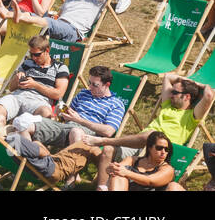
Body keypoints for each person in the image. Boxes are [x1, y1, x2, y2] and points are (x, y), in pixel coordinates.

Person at [78, 73, 211, 190]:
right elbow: (168, 77)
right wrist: (189, 83)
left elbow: (210, 95)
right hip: (139, 143)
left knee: (150, 135)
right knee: (107, 150)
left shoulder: (192, 116)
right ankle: (102, 187)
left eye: (175, 92)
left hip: (158, 149)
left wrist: (199, 86)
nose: (170, 94)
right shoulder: (168, 105)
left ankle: (104, 140)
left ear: (187, 97)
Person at [28, 65, 127, 151]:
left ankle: (71, 171)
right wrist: (61, 111)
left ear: (107, 85)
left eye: (95, 85)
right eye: (89, 83)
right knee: (27, 124)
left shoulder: (116, 104)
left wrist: (80, 120)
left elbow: (108, 131)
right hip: (65, 127)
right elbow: (65, 118)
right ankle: (30, 162)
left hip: (88, 134)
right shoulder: (84, 93)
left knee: (75, 132)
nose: (90, 87)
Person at [0, 34, 70, 137]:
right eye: (31, 54)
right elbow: (11, 88)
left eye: (37, 55)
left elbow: (58, 94)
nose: (33, 58)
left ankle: (14, 136)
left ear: (47, 51)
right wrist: (17, 78)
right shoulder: (28, 63)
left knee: (46, 115)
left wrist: (35, 85)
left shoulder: (60, 67)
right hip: (18, 96)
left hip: (39, 101)